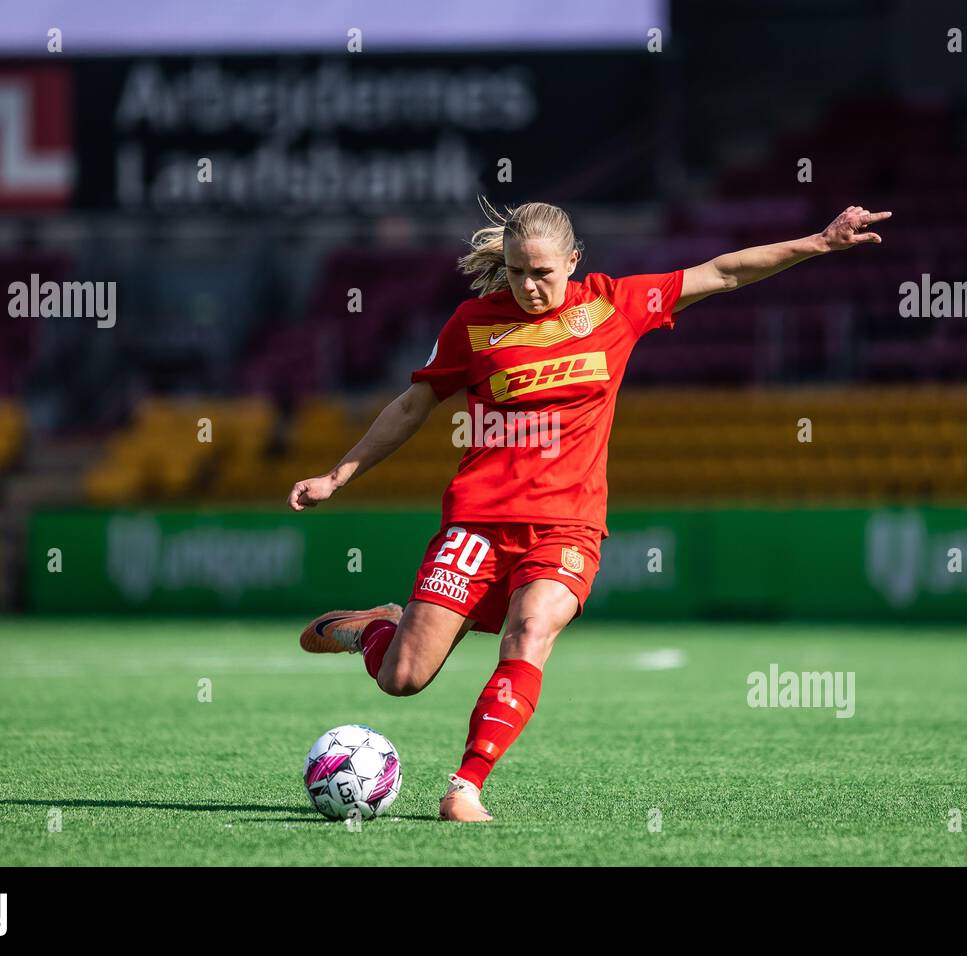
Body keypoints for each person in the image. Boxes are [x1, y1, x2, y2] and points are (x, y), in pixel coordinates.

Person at [288, 197, 891, 821]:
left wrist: (819, 242)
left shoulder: (613, 305)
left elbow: (723, 272)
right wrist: (339, 474)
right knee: (403, 678)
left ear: (574, 261)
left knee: (531, 632)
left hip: (567, 525)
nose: (529, 285)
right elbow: (413, 408)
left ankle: (465, 786)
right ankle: (376, 626)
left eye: (543, 272)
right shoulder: (473, 323)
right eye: (518, 272)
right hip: (479, 523)